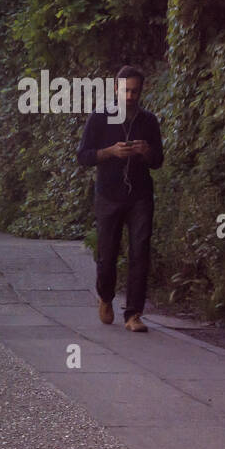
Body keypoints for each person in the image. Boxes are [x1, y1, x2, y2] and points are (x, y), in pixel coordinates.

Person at [77, 65, 164, 332]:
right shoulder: (100, 117)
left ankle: (133, 314)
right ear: (116, 88)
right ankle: (105, 296)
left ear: (142, 91)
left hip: (140, 195)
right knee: (107, 253)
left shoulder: (148, 121)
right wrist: (111, 152)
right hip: (108, 195)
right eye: (126, 90)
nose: (130, 96)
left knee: (140, 252)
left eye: (135, 91)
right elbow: (83, 156)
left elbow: (158, 162)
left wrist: (146, 151)